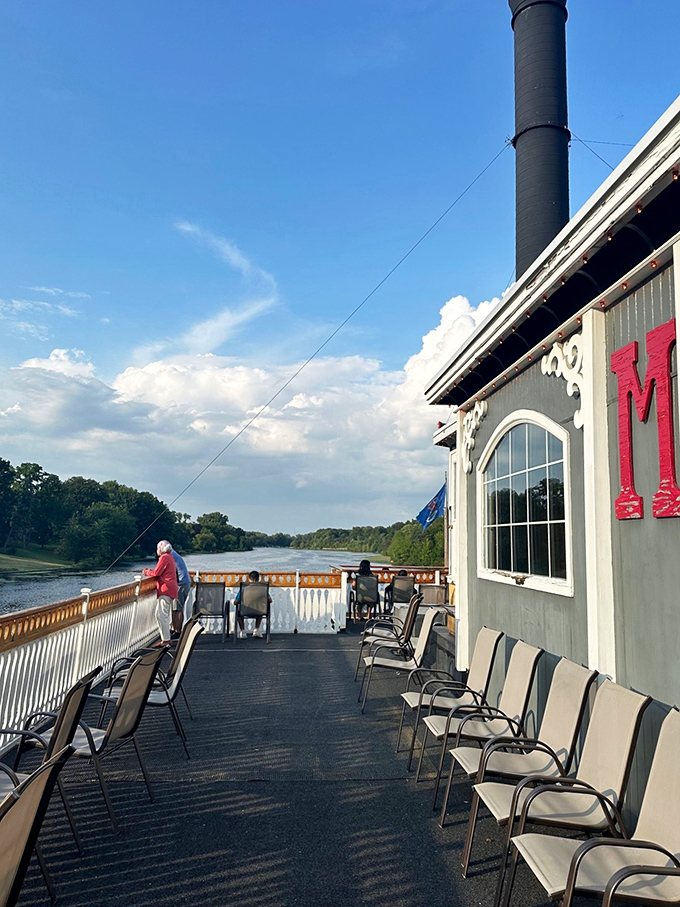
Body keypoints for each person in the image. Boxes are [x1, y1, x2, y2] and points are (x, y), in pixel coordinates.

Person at [142, 540, 178, 647]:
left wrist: (146, 572)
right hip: (170, 588)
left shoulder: (164, 557)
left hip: (166, 589)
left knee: (161, 615)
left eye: (158, 548)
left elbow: (156, 573)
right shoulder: (170, 557)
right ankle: (165, 638)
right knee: (161, 614)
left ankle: (166, 640)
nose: (157, 550)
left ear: (162, 549)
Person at [234, 570, 271, 639]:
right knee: (260, 607)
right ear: (258, 579)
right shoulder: (263, 589)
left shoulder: (244, 588)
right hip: (259, 611)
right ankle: (256, 629)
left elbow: (235, 602)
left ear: (249, 579)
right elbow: (270, 600)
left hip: (245, 611)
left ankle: (243, 631)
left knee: (239, 613)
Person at [171, 547, 191, 639]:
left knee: (178, 608)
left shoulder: (169, 556)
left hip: (181, 584)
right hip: (182, 583)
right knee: (175, 608)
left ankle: (178, 632)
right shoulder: (173, 554)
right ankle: (174, 629)